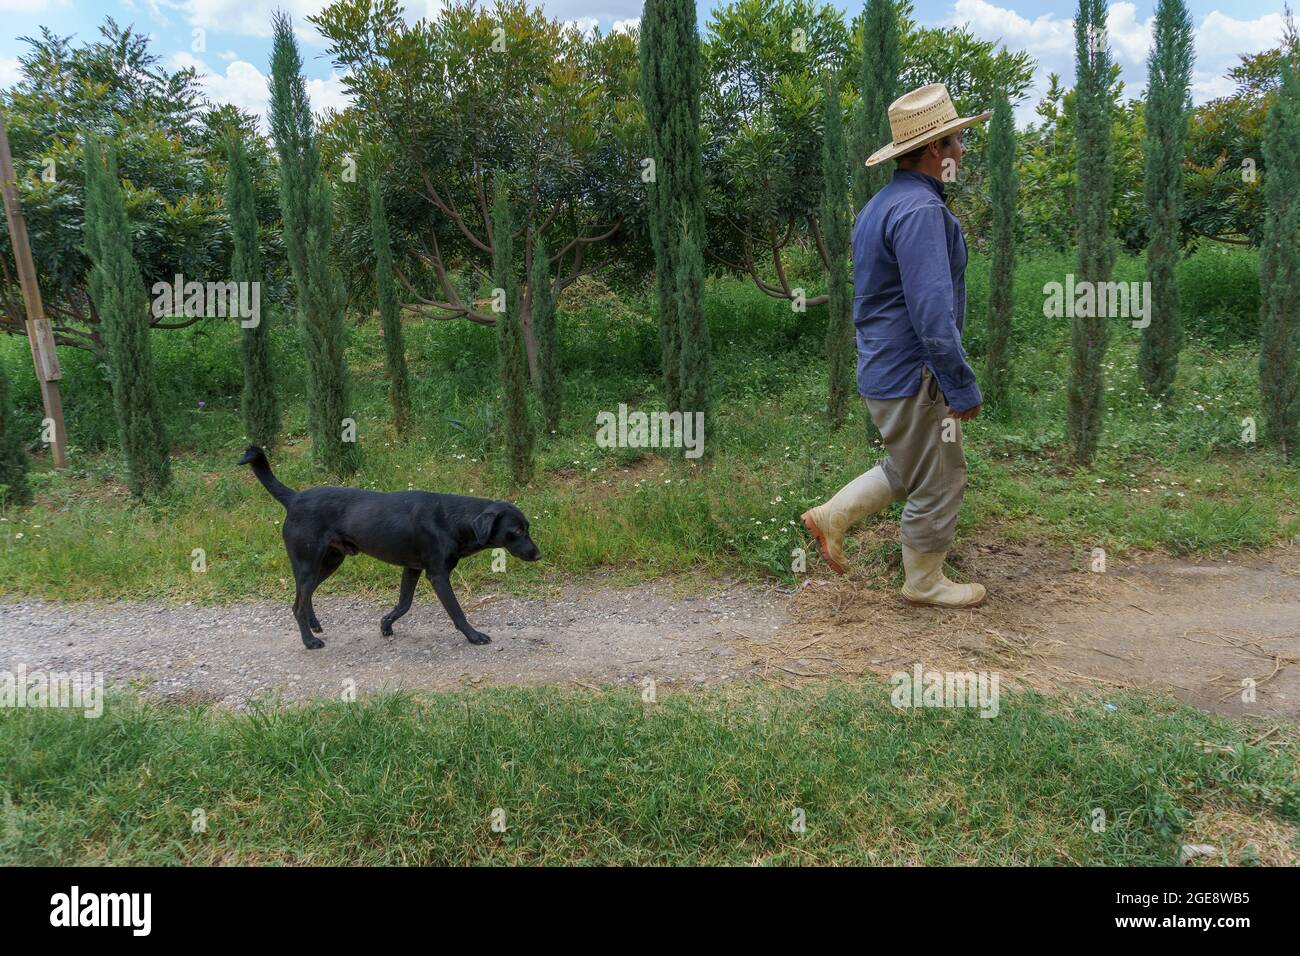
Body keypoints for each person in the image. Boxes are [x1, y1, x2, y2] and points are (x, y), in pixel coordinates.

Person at [802, 83, 990, 608]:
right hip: (916, 373)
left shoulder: (881, 205)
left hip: (884, 369)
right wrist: (959, 383)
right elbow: (932, 311)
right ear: (934, 149)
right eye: (955, 141)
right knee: (943, 475)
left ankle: (832, 515)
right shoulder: (922, 213)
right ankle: (924, 581)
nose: (962, 150)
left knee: (912, 466)